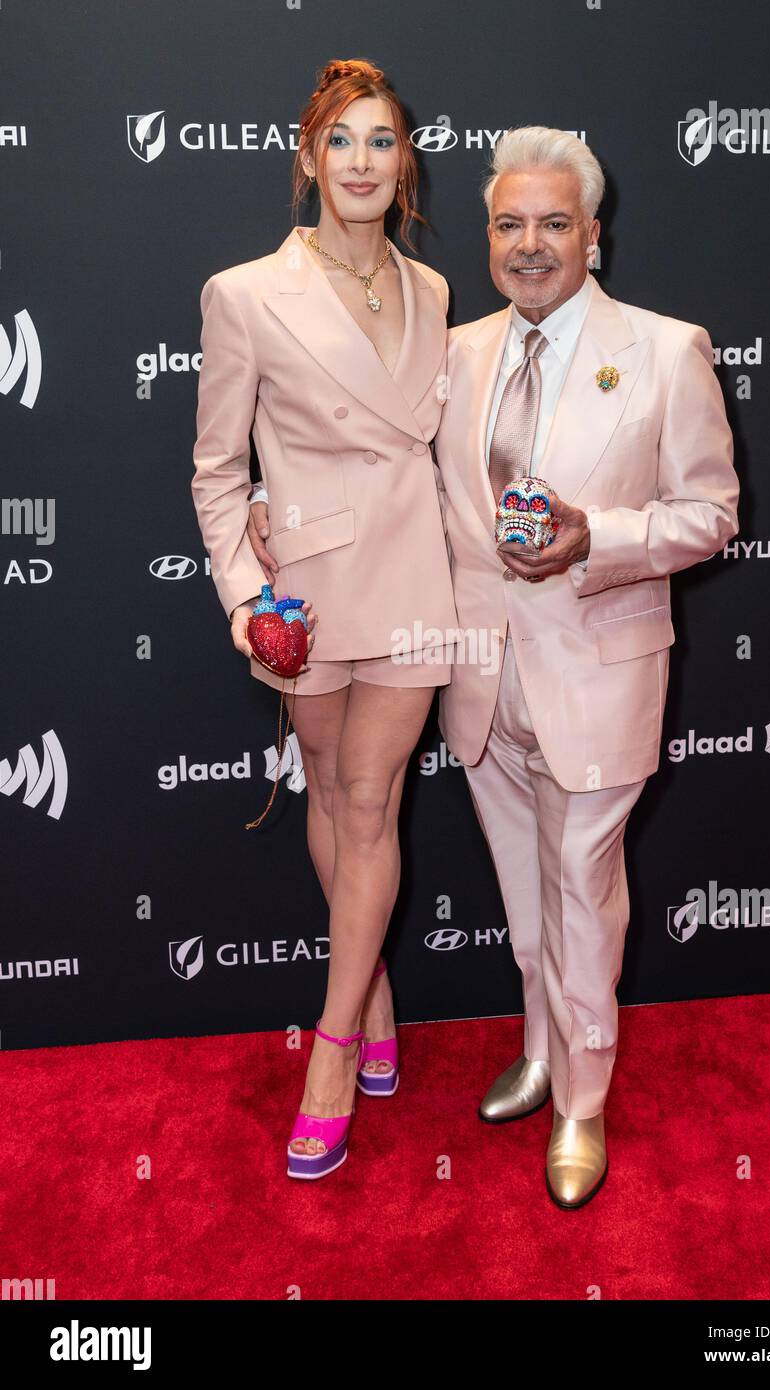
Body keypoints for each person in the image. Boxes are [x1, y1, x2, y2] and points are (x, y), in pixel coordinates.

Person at [432, 127, 740, 1207]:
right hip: (479, 674)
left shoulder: (664, 349)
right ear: (487, 236)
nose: (529, 246)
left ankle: (583, 1097)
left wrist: (594, 538)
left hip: (599, 669)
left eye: (553, 224)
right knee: (523, 893)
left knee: (582, 891)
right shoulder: (458, 348)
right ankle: (539, 1049)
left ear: (592, 237)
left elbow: (709, 513)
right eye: (509, 224)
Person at [191, 58, 458, 1180]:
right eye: (339, 141)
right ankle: (377, 990)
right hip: (304, 590)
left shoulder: (439, 291)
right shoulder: (244, 293)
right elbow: (216, 470)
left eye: (380, 142)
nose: (360, 161)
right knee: (333, 794)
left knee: (367, 797)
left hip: (414, 581)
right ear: (307, 159)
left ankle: (334, 1047)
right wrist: (246, 600)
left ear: (404, 166)